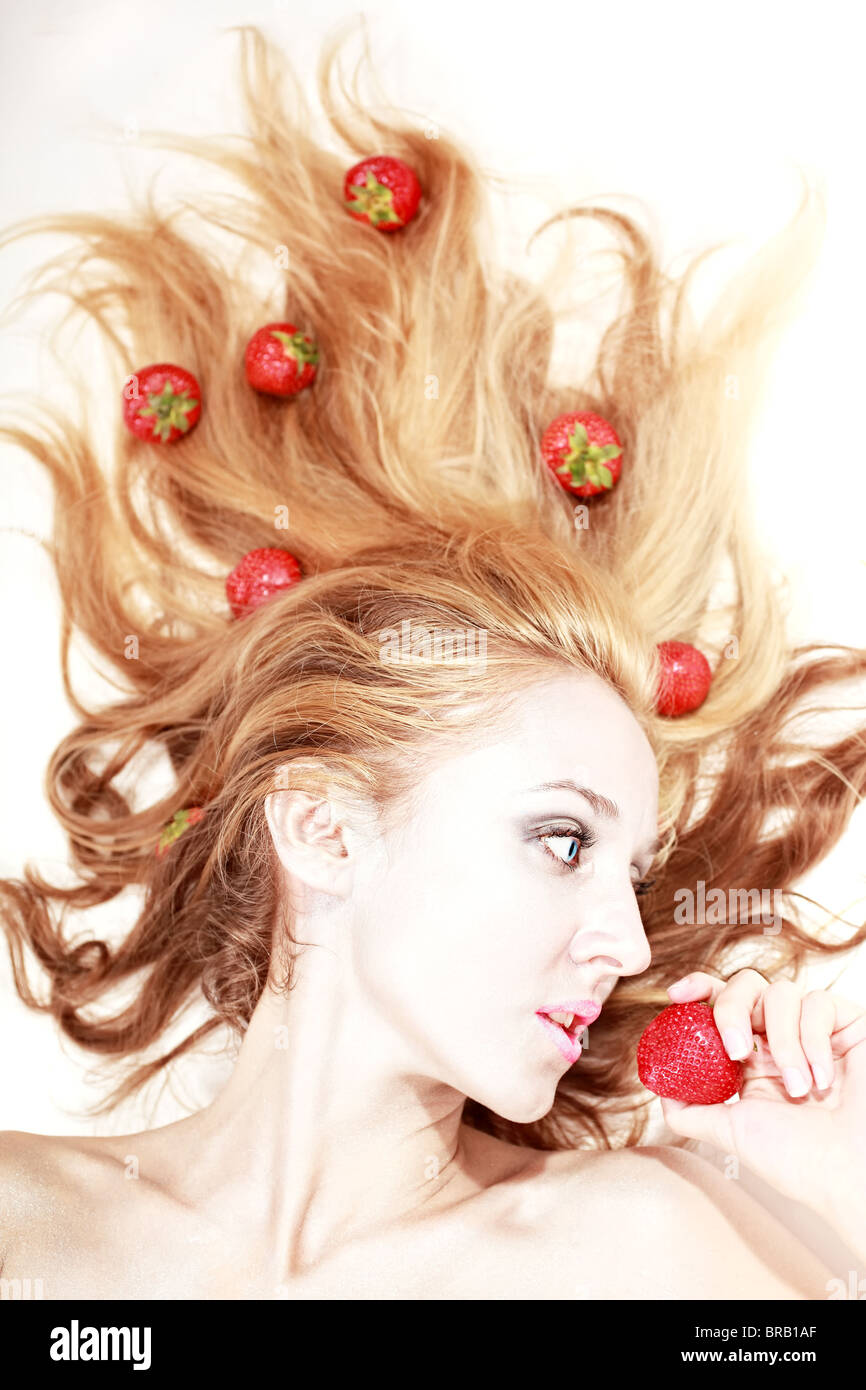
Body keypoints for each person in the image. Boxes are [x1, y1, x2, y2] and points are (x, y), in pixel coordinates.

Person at [0, 22, 864, 1300]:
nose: (629, 946)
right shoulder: (26, 1230)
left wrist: (841, 1200)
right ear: (324, 829)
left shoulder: (630, 1251)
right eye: (564, 840)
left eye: (624, 873)